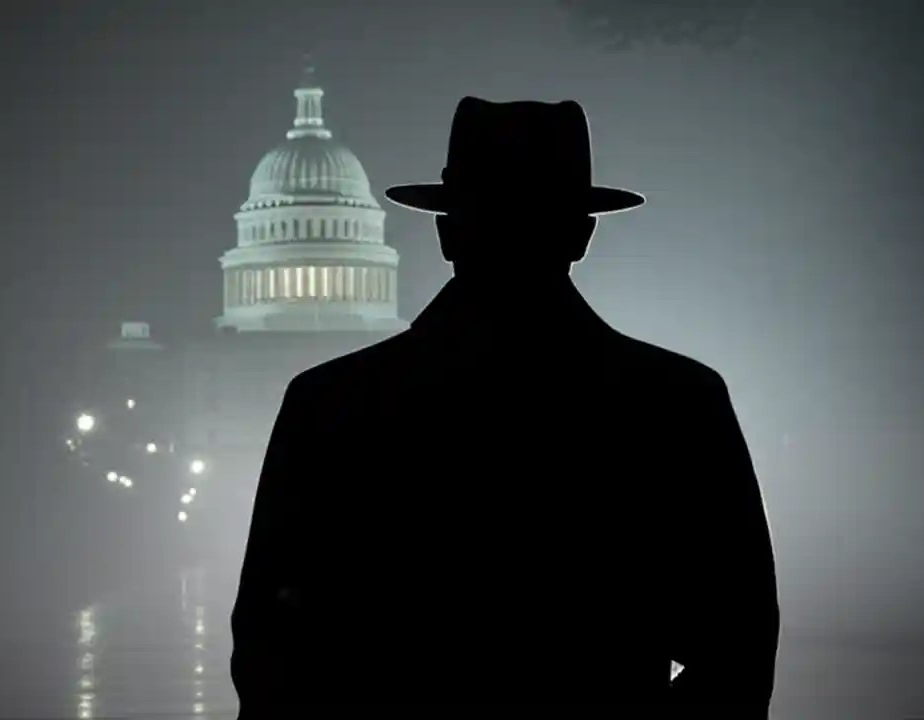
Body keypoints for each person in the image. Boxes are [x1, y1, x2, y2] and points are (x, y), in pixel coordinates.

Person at [229, 97, 779, 718]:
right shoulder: (677, 403)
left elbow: (269, 653)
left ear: (446, 232)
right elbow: (739, 653)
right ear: (582, 233)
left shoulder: (330, 402)